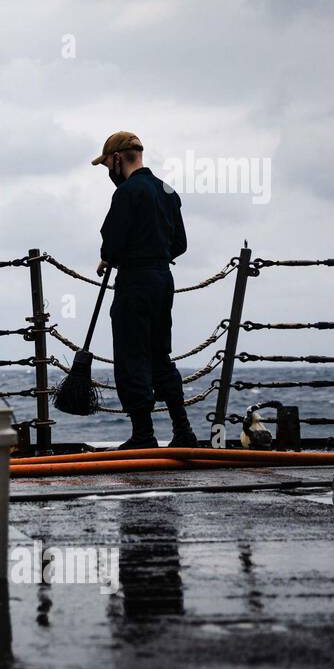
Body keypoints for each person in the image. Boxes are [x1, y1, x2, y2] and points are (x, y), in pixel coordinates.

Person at [91, 132, 197, 450]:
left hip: (134, 283)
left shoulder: (127, 193)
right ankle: (183, 432)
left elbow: (112, 241)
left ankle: (143, 435)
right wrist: (156, 256)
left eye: (107, 163)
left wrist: (112, 257)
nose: (107, 170)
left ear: (118, 158)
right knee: (160, 355)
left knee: (131, 356)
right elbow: (180, 243)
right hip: (163, 280)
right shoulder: (167, 190)